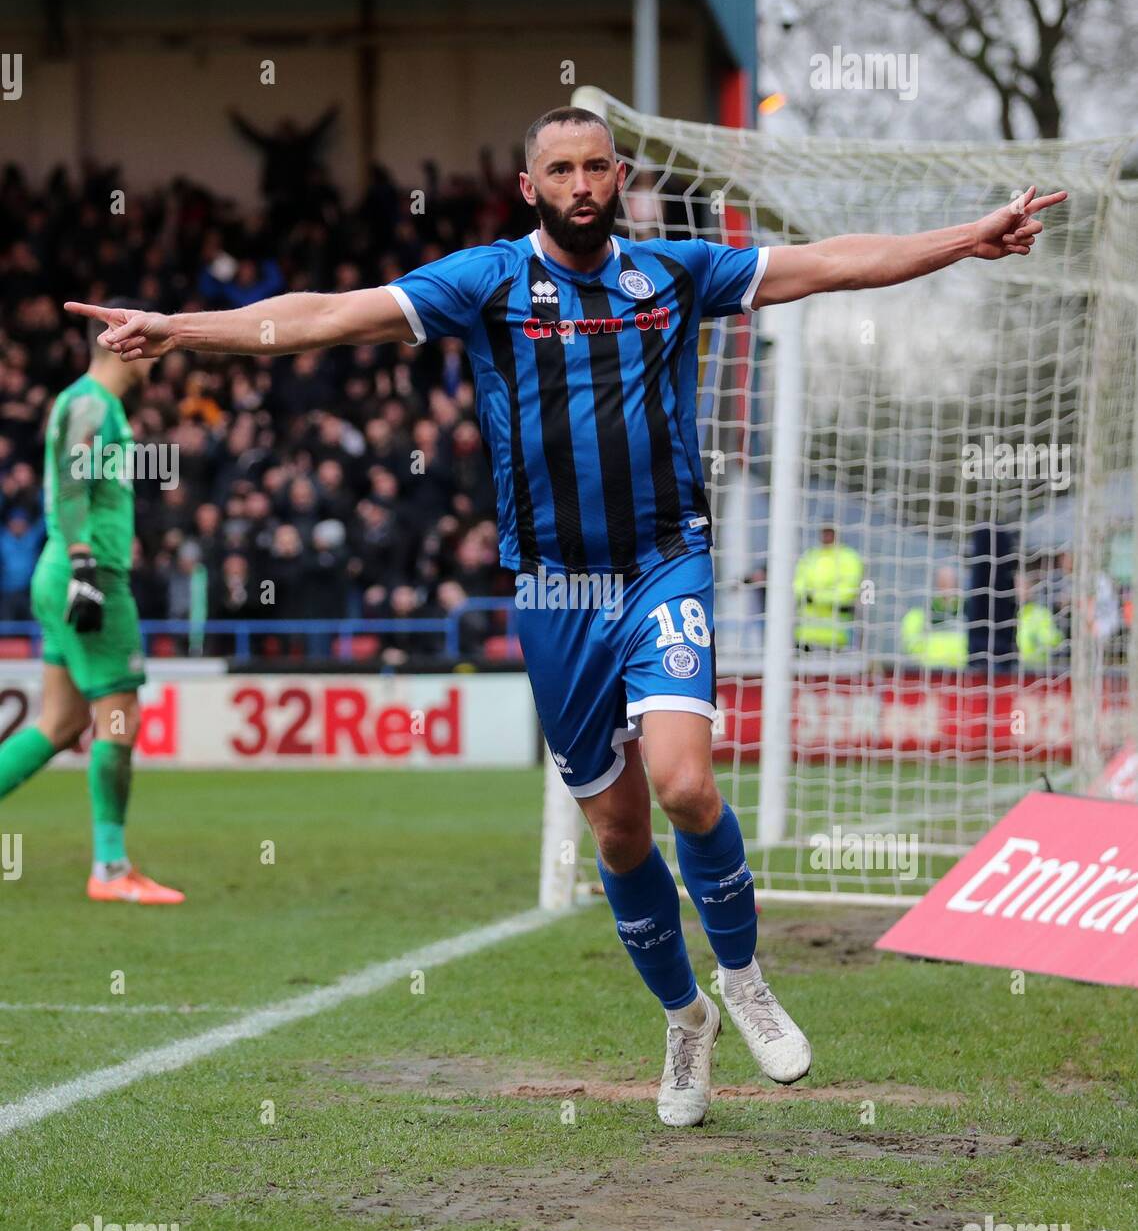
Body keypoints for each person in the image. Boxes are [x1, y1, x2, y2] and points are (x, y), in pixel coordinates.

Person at [66, 106, 1066, 1124]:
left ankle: (745, 978)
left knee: (683, 783)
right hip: (552, 592)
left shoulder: (674, 272)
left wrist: (964, 238)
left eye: (597, 167)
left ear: (621, 176)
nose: (582, 184)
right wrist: (181, 328)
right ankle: (684, 1022)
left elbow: (833, 262)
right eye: (561, 170)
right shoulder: (488, 281)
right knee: (620, 831)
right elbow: (328, 314)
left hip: (661, 567)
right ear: (528, 185)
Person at [0, 300, 185, 904]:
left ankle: (110, 867)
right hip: (89, 574)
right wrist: (84, 561)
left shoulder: (91, 404)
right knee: (118, 717)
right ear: (116, 342)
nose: (154, 357)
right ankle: (110, 868)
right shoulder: (90, 404)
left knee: (60, 723)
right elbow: (74, 483)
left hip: (67, 571)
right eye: (142, 338)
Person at [793, 524, 863, 651]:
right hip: (806, 632)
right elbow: (798, 583)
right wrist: (808, 594)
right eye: (824, 532)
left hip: (836, 633)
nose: (826, 536)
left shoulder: (848, 557)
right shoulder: (810, 555)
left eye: (830, 532)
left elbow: (848, 589)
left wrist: (816, 597)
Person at [900, 565, 967, 668]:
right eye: (943, 582)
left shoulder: (968, 612)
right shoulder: (920, 614)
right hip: (929, 671)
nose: (947, 587)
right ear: (936, 584)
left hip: (961, 671)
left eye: (950, 582)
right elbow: (910, 644)